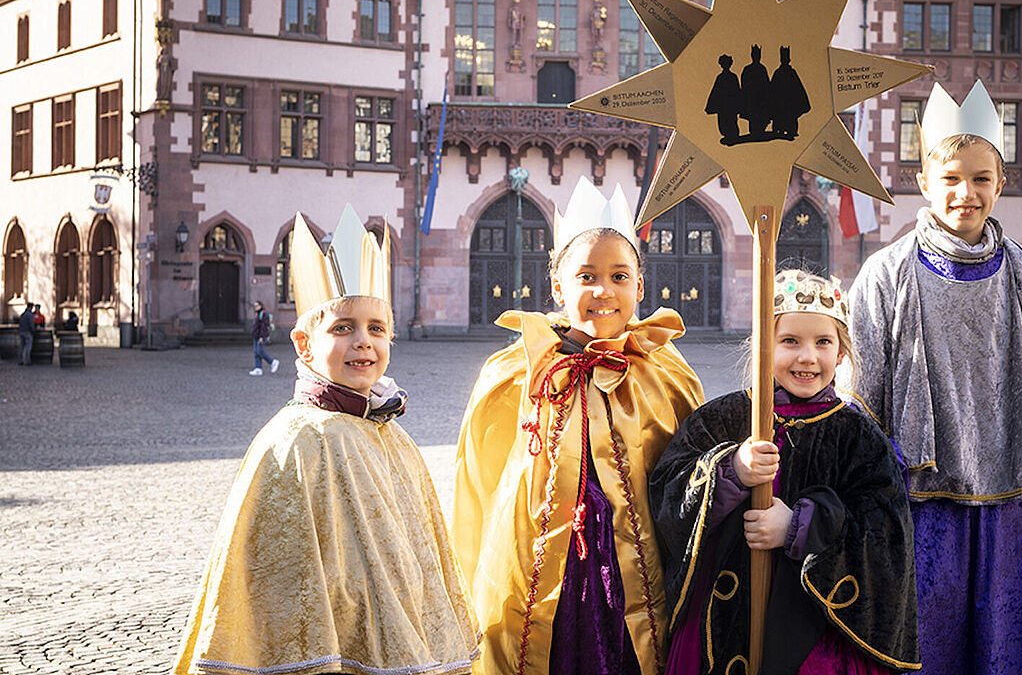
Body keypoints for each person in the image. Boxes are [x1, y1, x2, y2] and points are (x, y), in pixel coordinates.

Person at [848, 80, 1022, 675]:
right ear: (924, 182)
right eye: (951, 178)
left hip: (1013, 495)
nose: (966, 193)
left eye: (981, 179)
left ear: (1000, 184)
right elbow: (864, 396)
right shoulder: (885, 275)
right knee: (927, 636)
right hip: (923, 500)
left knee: (1004, 642)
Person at [175, 206, 478, 675]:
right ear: (303, 343)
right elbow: (275, 577)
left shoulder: (393, 435)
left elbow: (426, 553)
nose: (363, 342)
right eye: (342, 328)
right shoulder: (294, 442)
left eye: (377, 329)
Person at [453, 178, 705, 675]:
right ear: (557, 285)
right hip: (538, 573)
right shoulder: (513, 372)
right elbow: (477, 486)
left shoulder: (667, 372)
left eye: (618, 276)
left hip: (635, 573)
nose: (602, 291)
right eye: (586, 275)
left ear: (640, 285)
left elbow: (691, 480)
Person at [651, 268, 919, 675]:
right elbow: (669, 493)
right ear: (763, 346)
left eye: (823, 342)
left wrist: (797, 527)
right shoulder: (724, 418)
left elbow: (886, 536)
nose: (807, 356)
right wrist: (731, 470)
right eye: (790, 341)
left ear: (841, 354)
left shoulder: (859, 436)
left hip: (820, 632)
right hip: (728, 619)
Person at [248, 300, 279, 375]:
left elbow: (264, 327)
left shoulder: (264, 314)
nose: (255, 307)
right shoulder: (257, 314)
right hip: (256, 335)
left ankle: (272, 362)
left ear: (261, 306)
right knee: (256, 352)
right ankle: (258, 368)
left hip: (261, 336)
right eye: (254, 306)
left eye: (257, 306)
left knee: (259, 351)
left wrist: (262, 337)